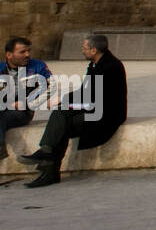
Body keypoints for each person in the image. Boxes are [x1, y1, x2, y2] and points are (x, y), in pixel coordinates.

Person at [17, 34, 127, 188]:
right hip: (94, 107)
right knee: (61, 115)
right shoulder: (96, 64)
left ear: (94, 50)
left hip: (106, 115)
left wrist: (62, 99)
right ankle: (47, 153)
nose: (82, 51)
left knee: (63, 124)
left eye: (84, 48)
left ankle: (50, 170)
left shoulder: (110, 67)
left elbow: (90, 94)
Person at [2, 37, 53, 159]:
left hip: (22, 112)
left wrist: (27, 103)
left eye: (28, 51)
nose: (27, 55)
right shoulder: (0, 68)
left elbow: (51, 87)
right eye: (22, 52)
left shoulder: (37, 66)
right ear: (9, 55)